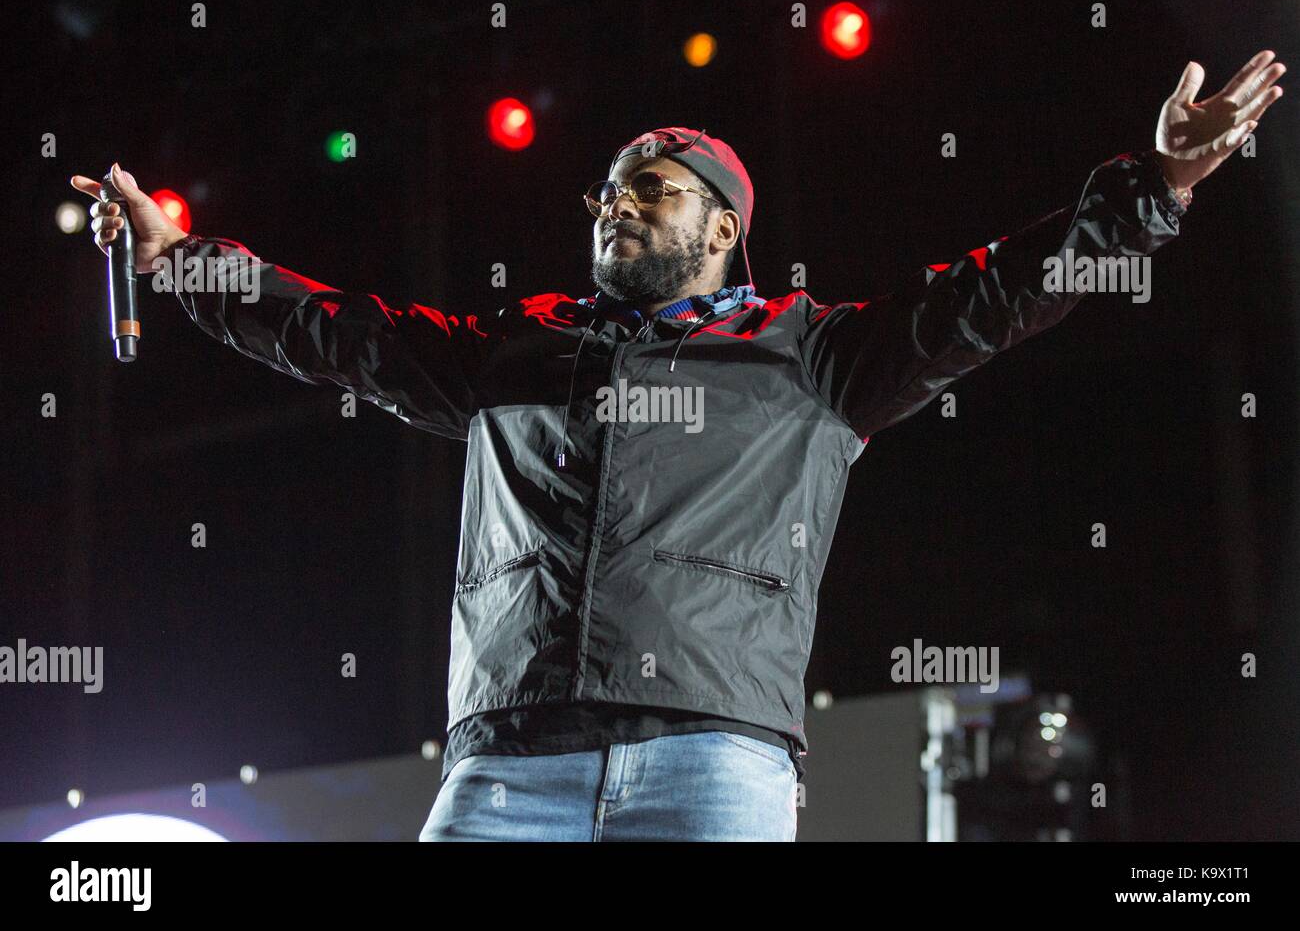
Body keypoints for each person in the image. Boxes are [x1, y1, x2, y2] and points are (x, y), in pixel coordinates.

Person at [73, 52, 1284, 842]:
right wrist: (186, 262)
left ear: (721, 225)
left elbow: (995, 295)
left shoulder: (806, 355)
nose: (612, 201)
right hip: (507, 764)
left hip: (710, 761)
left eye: (646, 187)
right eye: (605, 188)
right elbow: (342, 334)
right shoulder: (519, 351)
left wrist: (1155, 186)